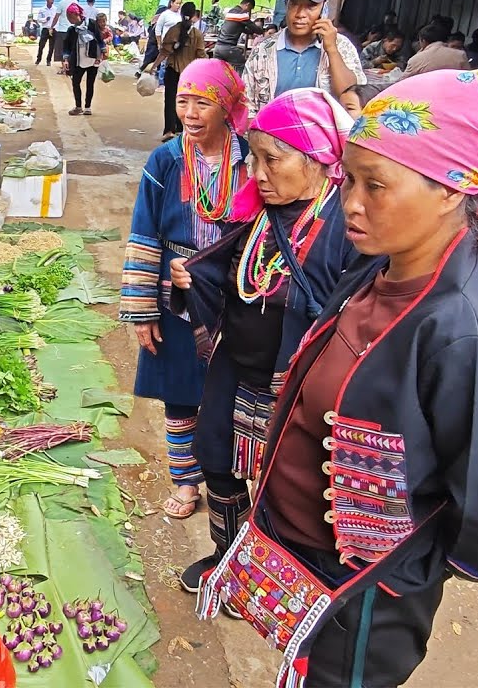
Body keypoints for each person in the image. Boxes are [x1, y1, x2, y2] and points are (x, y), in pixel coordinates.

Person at [199, 69, 478, 688]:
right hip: (313, 564)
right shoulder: (381, 268)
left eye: (376, 185)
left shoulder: (466, 332)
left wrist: (404, 562)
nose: (351, 204)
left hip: (367, 592)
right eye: (349, 180)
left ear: (453, 189)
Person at [170, 87, 357, 597]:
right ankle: (227, 559)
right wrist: (195, 281)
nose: (256, 173)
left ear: (318, 158)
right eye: (254, 158)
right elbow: (234, 276)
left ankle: (265, 573)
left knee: (284, 486)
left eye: (273, 159)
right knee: (216, 460)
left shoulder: (348, 227)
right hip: (236, 365)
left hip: (294, 384)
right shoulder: (259, 214)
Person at [121, 59, 252, 523]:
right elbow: (144, 233)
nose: (191, 113)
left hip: (237, 294)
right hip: (174, 296)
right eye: (182, 101)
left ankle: (231, 477)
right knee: (179, 394)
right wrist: (143, 311)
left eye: (203, 102)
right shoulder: (166, 159)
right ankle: (186, 480)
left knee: (232, 391)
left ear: (227, 106)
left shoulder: (253, 158)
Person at [242, 0, 365, 117]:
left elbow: (350, 96)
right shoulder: (263, 51)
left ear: (324, 9)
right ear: (286, 6)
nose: (300, 14)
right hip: (272, 137)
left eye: (311, 6)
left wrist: (331, 50)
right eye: (294, 4)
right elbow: (247, 106)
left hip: (324, 139)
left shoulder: (342, 46)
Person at [148, 2, 203, 140]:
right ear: (194, 16)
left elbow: (164, 52)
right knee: (186, 101)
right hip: (189, 74)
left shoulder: (173, 30)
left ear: (181, 13)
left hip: (172, 71)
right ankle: (181, 129)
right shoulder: (197, 34)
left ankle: (169, 130)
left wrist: (153, 67)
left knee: (170, 101)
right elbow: (201, 55)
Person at [62, 3, 104, 116]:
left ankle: (88, 107)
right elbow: (66, 47)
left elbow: (100, 40)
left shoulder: (91, 24)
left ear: (77, 14)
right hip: (78, 61)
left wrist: (101, 55)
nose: (69, 19)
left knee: (90, 84)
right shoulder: (71, 30)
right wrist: (65, 60)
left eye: (71, 16)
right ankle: (78, 106)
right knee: (76, 82)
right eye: (68, 17)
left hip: (92, 60)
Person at [213, 0, 262, 71]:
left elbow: (241, 28)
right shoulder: (242, 14)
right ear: (247, 5)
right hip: (228, 48)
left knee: (219, 70)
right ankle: (240, 82)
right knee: (243, 66)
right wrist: (263, 31)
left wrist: (251, 32)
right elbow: (253, 27)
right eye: (250, 9)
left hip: (218, 47)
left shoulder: (231, 11)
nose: (248, 12)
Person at [404, 23, 470, 78]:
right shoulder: (461, 55)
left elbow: (402, 82)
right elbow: (469, 79)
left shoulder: (415, 60)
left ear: (423, 41)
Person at [52, 0, 76, 72]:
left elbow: (56, 17)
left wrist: (52, 26)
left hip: (63, 30)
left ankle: (64, 69)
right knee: (72, 49)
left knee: (62, 50)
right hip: (74, 30)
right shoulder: (75, 2)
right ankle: (71, 67)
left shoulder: (61, 3)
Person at [36, 0, 58, 65]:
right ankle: (38, 59)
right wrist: (45, 19)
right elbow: (38, 19)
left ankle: (48, 60)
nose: (52, 1)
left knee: (52, 46)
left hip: (53, 29)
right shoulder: (42, 9)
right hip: (45, 29)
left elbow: (57, 19)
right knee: (41, 45)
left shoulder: (55, 9)